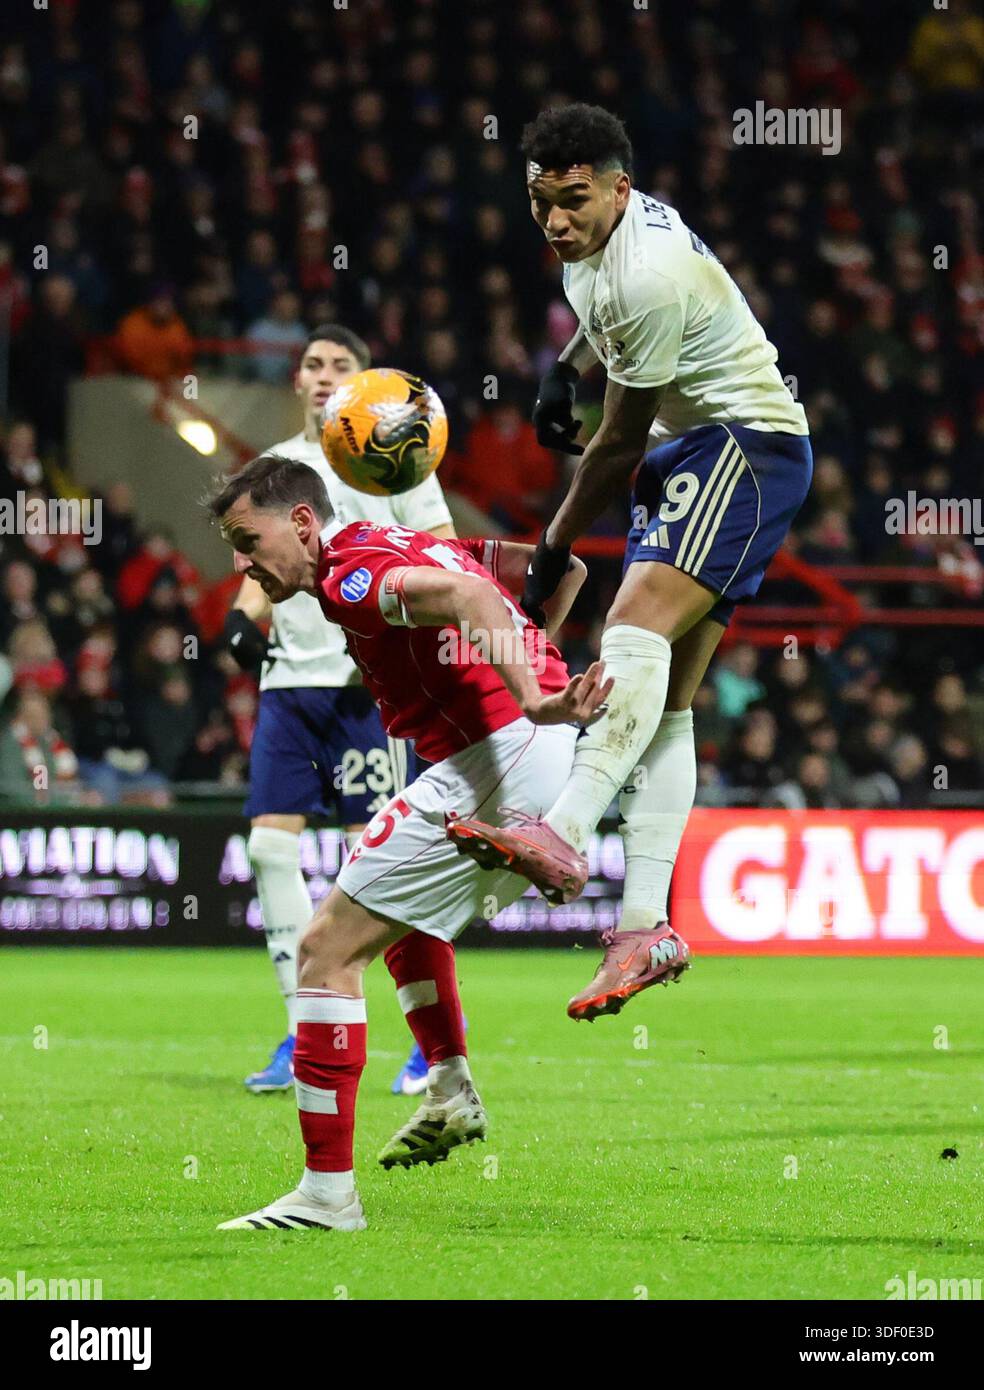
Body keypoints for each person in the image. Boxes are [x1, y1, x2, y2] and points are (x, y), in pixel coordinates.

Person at [447, 103, 812, 1021]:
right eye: (540, 204)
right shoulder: (599, 244)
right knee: (671, 699)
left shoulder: (646, 275)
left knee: (630, 626)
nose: (556, 221)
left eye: (573, 201)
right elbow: (596, 324)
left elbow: (616, 442)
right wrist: (561, 367)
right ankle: (646, 924)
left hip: (741, 443)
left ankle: (565, 828)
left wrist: (559, 541)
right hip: (709, 451)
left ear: (619, 187)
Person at [207, 454, 619, 1231]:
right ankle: (451, 1085)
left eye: (246, 539)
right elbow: (559, 574)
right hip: (516, 751)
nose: (241, 563)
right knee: (396, 919)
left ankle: (327, 1196)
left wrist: (530, 695)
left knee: (326, 950)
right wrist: (531, 662)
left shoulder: (347, 577)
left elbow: (467, 596)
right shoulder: (402, 538)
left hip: (498, 753)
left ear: (301, 522)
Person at [224, 324, 460, 1094]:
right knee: (266, 849)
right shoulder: (274, 473)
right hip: (291, 686)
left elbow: (447, 553)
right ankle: (301, 1029)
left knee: (379, 867)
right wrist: (241, 617)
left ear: (364, 380)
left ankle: (429, 1040)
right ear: (296, 381)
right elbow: (259, 568)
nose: (325, 375)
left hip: (370, 688)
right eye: (314, 364)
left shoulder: (393, 454)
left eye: (342, 365)